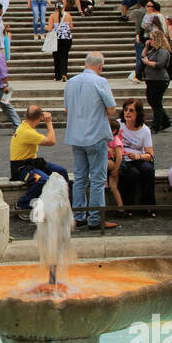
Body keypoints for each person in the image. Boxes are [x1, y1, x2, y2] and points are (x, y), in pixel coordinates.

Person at [63, 51, 118, 230]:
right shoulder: (100, 82)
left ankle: (79, 216)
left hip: (76, 136)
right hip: (95, 135)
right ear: (100, 66)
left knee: (79, 178)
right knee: (97, 178)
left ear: (86, 63)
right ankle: (96, 218)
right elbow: (111, 109)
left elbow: (66, 109)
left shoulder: (71, 82)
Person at [9, 104, 68, 217]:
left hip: (32, 163)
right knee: (42, 180)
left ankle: (65, 203)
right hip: (22, 169)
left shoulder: (25, 125)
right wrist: (49, 122)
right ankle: (21, 205)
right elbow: (52, 141)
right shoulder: (27, 132)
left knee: (61, 171)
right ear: (39, 118)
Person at [118, 98, 156, 215]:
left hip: (138, 157)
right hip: (122, 158)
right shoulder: (118, 124)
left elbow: (150, 154)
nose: (127, 113)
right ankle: (128, 206)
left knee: (147, 169)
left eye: (131, 110)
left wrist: (137, 156)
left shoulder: (144, 130)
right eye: (125, 110)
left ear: (138, 113)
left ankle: (148, 206)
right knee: (132, 173)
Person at [142, 26, 172, 132]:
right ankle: (165, 121)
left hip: (159, 80)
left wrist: (147, 63)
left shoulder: (163, 51)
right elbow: (143, 56)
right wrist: (146, 47)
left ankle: (156, 125)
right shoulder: (153, 50)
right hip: (151, 79)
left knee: (156, 102)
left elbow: (159, 64)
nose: (150, 41)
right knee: (152, 100)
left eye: (152, 39)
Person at [46, 0, 73, 82]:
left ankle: (57, 75)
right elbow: (71, 27)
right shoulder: (68, 15)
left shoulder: (52, 16)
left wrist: (45, 26)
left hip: (56, 39)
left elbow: (50, 28)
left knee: (56, 57)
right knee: (64, 57)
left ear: (55, 7)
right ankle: (64, 74)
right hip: (66, 38)